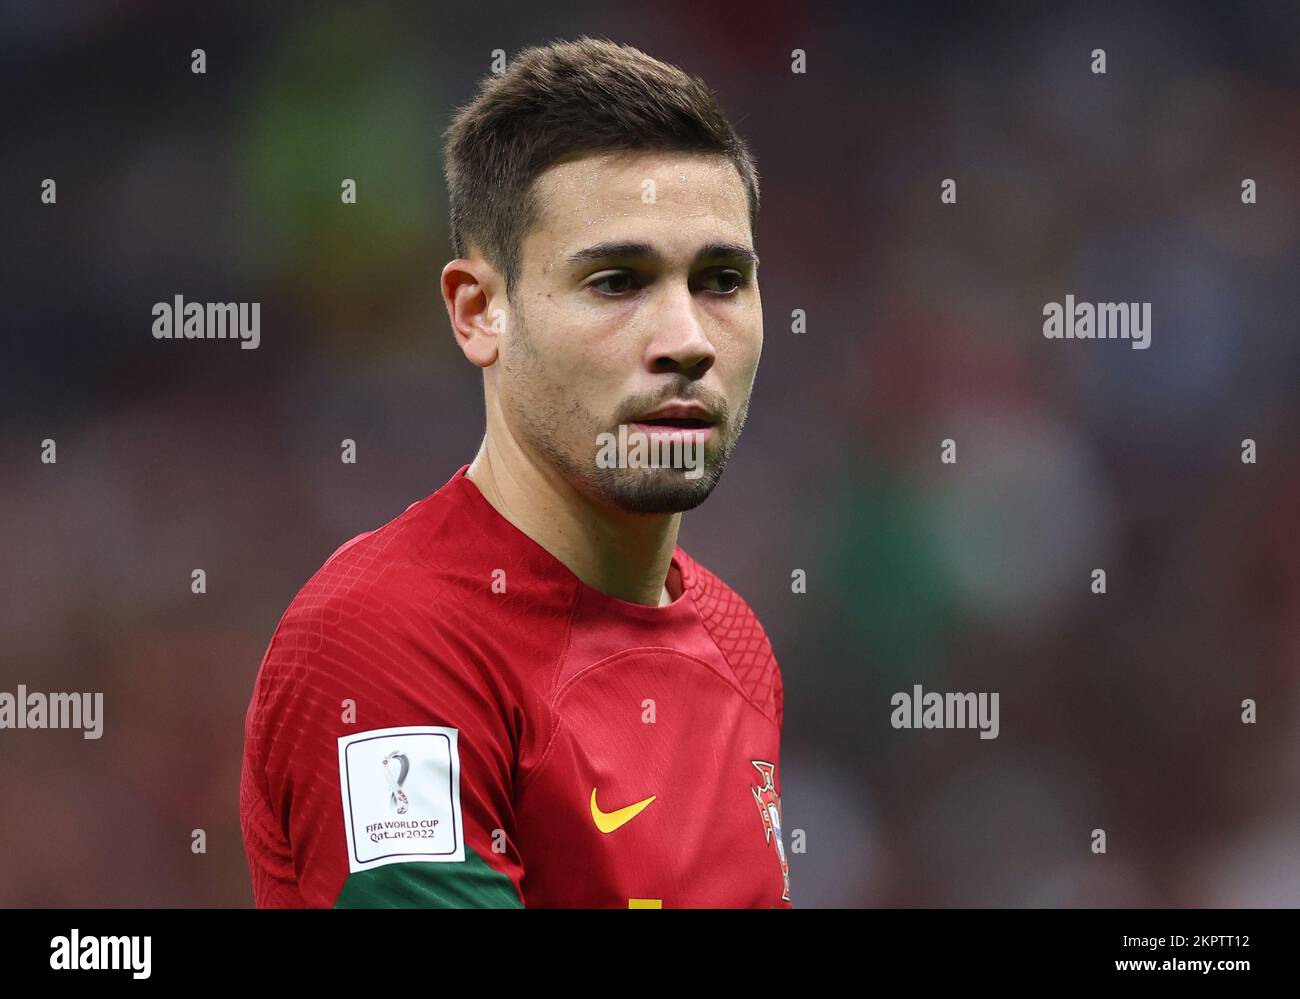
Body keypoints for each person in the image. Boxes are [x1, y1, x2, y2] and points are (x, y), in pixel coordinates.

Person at [240, 35, 788, 908]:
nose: (686, 340)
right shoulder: (388, 643)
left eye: (721, 279)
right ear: (479, 310)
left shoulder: (736, 645)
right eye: (617, 280)